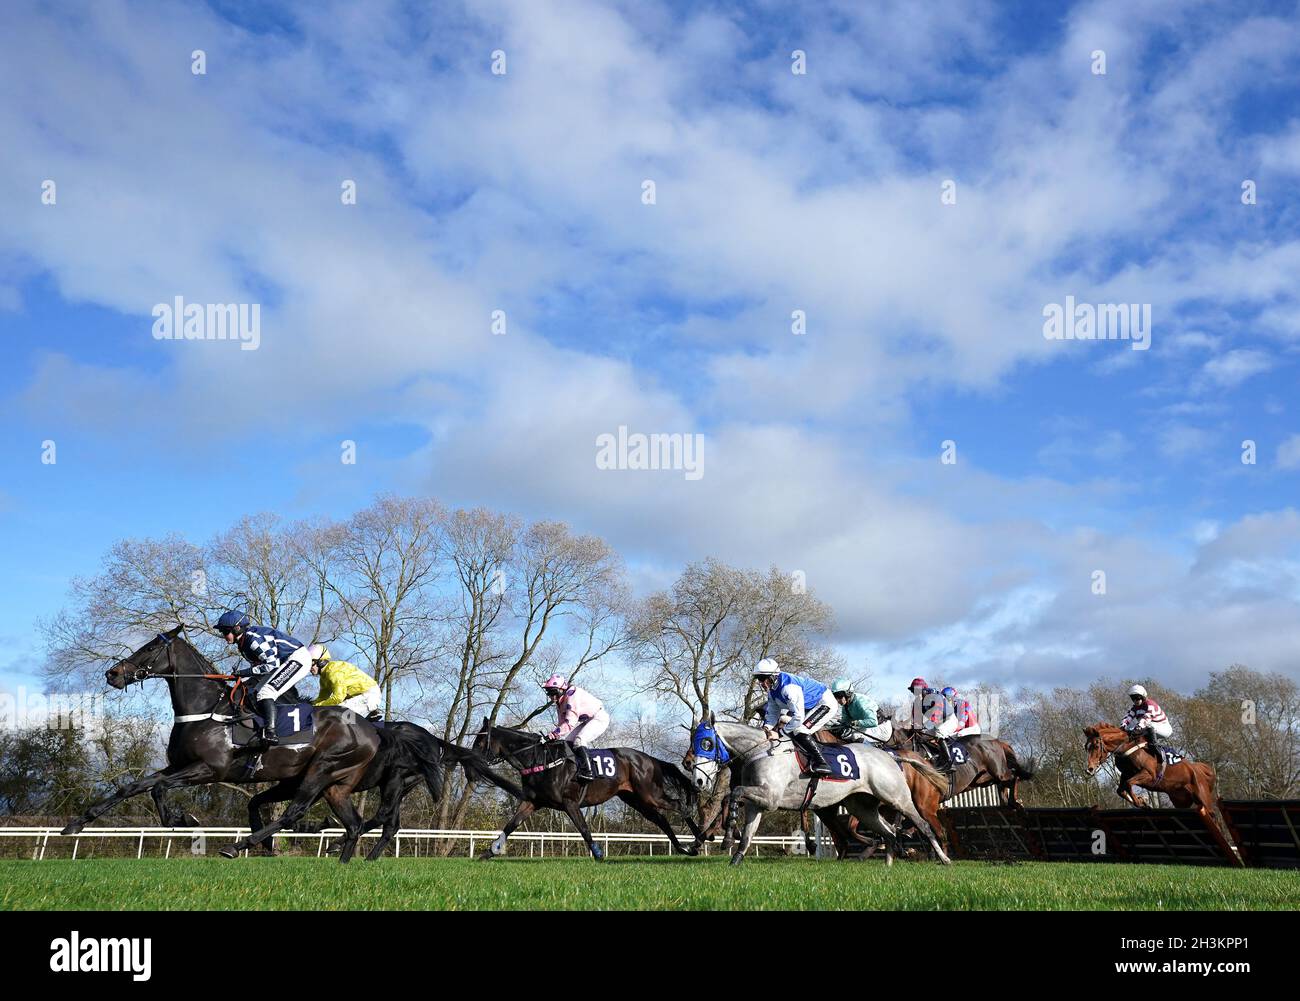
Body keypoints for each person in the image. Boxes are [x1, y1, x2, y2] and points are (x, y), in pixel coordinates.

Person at [215, 610, 313, 749]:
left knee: (266, 692)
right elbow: (259, 668)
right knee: (255, 691)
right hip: (284, 662)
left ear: (237, 629)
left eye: (225, 632)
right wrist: (242, 677)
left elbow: (271, 665)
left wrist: (244, 672)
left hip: (297, 659)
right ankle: (262, 726)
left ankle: (271, 733)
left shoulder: (253, 640)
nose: (224, 636)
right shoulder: (243, 644)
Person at [753, 659, 840, 777]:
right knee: (788, 723)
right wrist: (767, 728)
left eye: (762, 679)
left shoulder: (789, 688)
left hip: (824, 703)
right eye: (758, 679)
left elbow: (798, 718)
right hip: (809, 707)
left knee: (800, 729)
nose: (761, 683)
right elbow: (773, 713)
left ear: (773, 677)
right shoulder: (772, 691)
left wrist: (779, 734)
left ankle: (822, 763)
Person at [541, 674, 610, 782]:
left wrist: (553, 734)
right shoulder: (560, 702)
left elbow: (569, 724)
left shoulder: (572, 696)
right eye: (549, 693)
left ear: (561, 689)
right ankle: (574, 769)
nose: (551, 695)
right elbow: (561, 725)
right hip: (589, 720)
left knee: (579, 740)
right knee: (567, 742)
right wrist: (553, 736)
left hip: (599, 718)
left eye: (553, 692)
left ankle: (588, 772)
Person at [308, 645, 382, 719]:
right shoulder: (323, 678)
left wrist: (316, 706)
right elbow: (322, 698)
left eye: (311, 663)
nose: (309, 668)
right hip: (358, 697)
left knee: (337, 714)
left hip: (369, 695)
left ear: (321, 661)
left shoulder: (333, 671)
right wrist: (308, 705)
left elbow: (338, 697)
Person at [1120, 684, 1173, 777]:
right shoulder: (1135, 708)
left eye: (1137, 698)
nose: (1135, 701)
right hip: (1149, 727)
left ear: (1143, 696)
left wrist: (1138, 728)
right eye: (1133, 698)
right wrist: (1123, 726)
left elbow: (1146, 718)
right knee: (1132, 730)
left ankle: (1159, 753)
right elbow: (1128, 717)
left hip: (1164, 728)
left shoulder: (1150, 704)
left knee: (1147, 726)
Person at [828, 678, 889, 743]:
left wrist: (856, 723)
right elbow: (845, 722)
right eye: (835, 696)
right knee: (843, 734)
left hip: (881, 727)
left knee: (855, 736)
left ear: (848, 693)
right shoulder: (846, 706)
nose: (837, 700)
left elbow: (873, 722)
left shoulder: (861, 702)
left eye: (839, 696)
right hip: (868, 728)